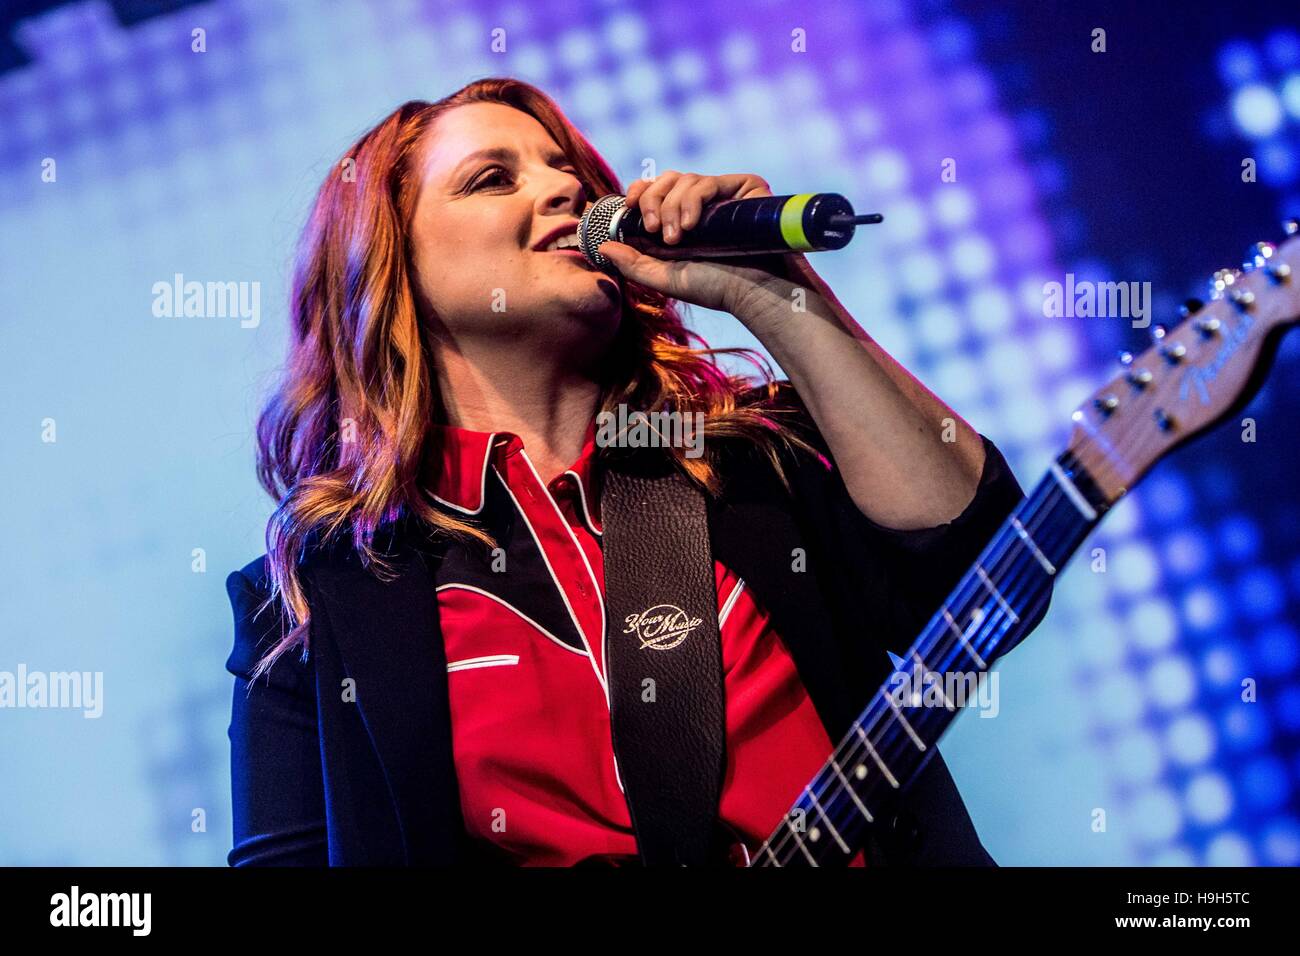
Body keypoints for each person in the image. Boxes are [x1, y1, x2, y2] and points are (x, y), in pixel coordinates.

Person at [225, 76, 1051, 867]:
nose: (563, 192)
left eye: (569, 172)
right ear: (386, 265)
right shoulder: (313, 599)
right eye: (491, 178)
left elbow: (985, 572)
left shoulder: (752, 456)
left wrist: (776, 292)